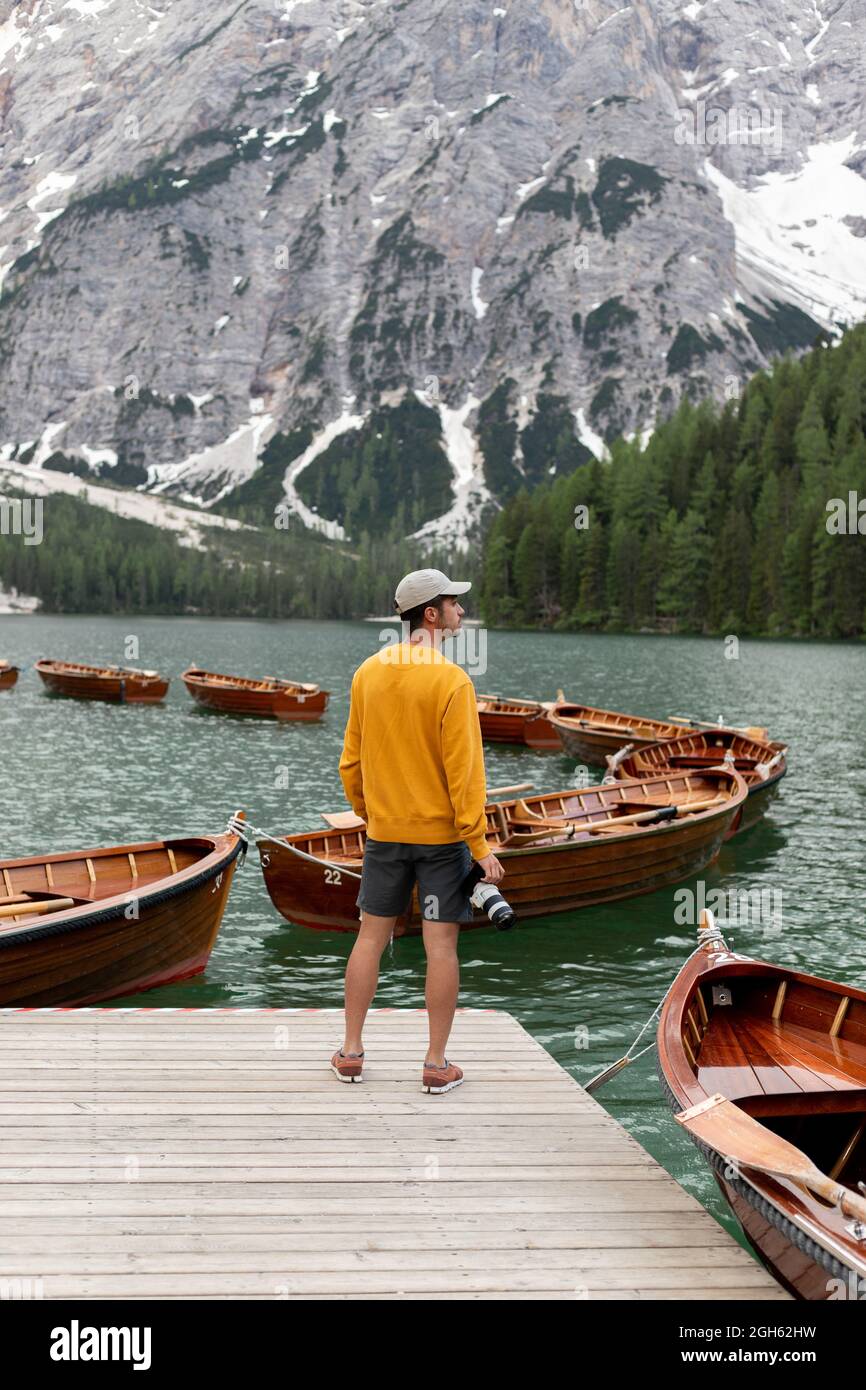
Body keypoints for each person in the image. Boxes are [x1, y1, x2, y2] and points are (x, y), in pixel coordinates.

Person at [333, 568, 504, 1094]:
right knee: (441, 949)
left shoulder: (368, 673)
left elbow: (350, 764)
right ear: (431, 613)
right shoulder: (451, 681)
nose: (461, 611)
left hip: (386, 838)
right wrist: (480, 845)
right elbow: (464, 775)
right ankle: (434, 1064)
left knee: (368, 939)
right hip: (440, 844)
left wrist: (372, 813)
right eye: (454, 603)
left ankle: (351, 1054)